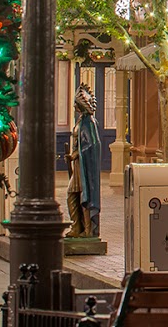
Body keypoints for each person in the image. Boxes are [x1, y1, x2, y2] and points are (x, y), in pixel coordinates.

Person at [66, 83, 102, 238]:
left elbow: (92, 144)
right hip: (78, 165)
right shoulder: (82, 121)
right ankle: (77, 226)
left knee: (82, 196)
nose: (74, 106)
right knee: (74, 195)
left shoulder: (89, 122)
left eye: (76, 104)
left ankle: (87, 229)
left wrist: (75, 154)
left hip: (83, 166)